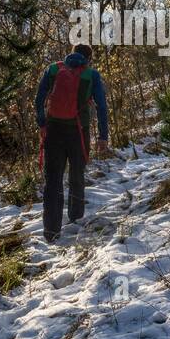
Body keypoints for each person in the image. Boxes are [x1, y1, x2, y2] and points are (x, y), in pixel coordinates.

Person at [35, 43, 109, 240]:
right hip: (78, 131)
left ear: (72, 52)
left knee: (53, 180)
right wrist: (103, 135)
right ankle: (75, 221)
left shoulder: (53, 69)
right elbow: (102, 106)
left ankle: (51, 232)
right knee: (77, 175)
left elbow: (39, 99)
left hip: (53, 130)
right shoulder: (91, 75)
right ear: (88, 58)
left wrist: (42, 124)